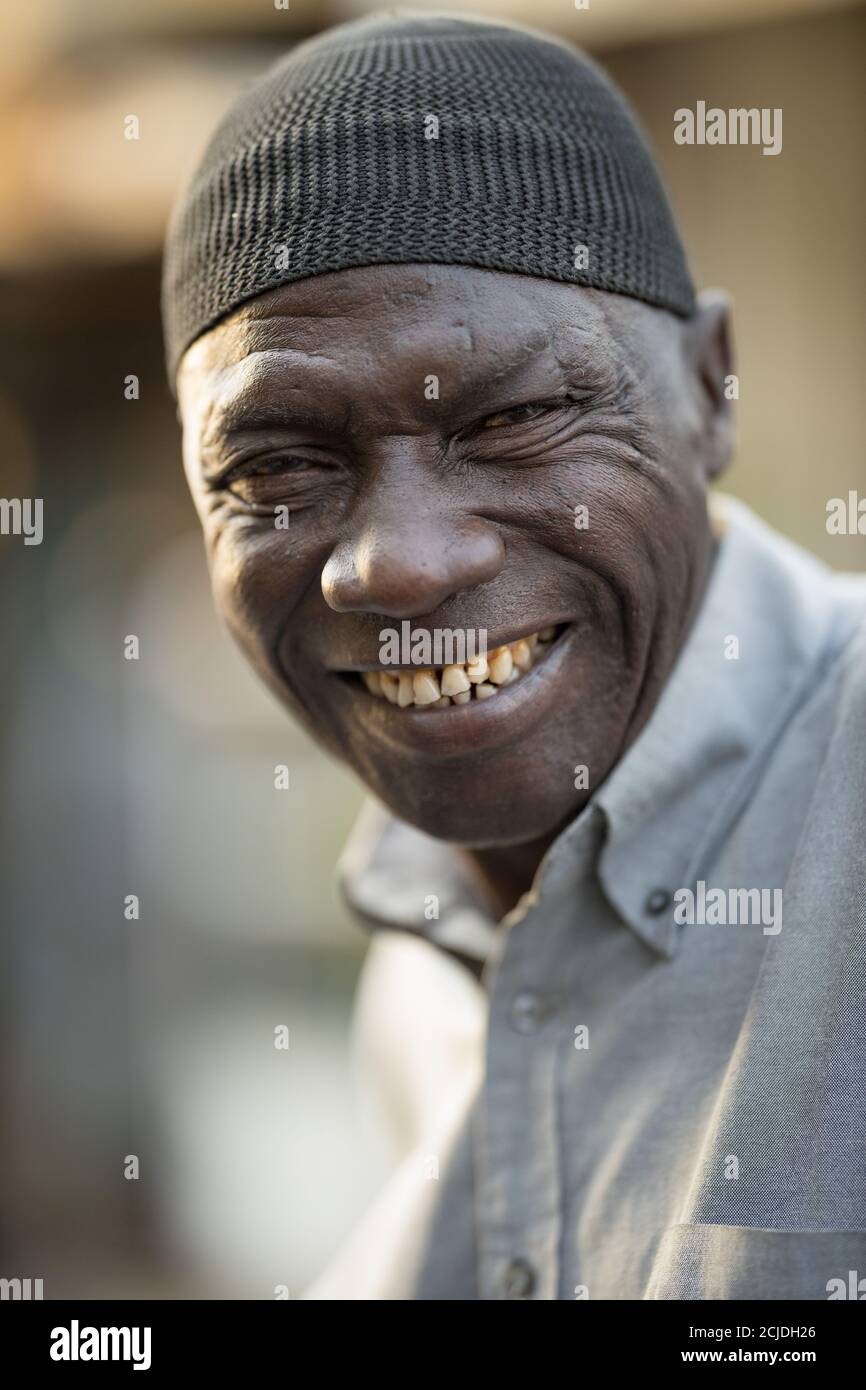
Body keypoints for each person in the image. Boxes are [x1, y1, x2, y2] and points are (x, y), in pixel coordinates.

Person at [162, 11, 866, 1299]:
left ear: (712, 388)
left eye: (522, 416)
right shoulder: (423, 979)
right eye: (276, 465)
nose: (400, 567)